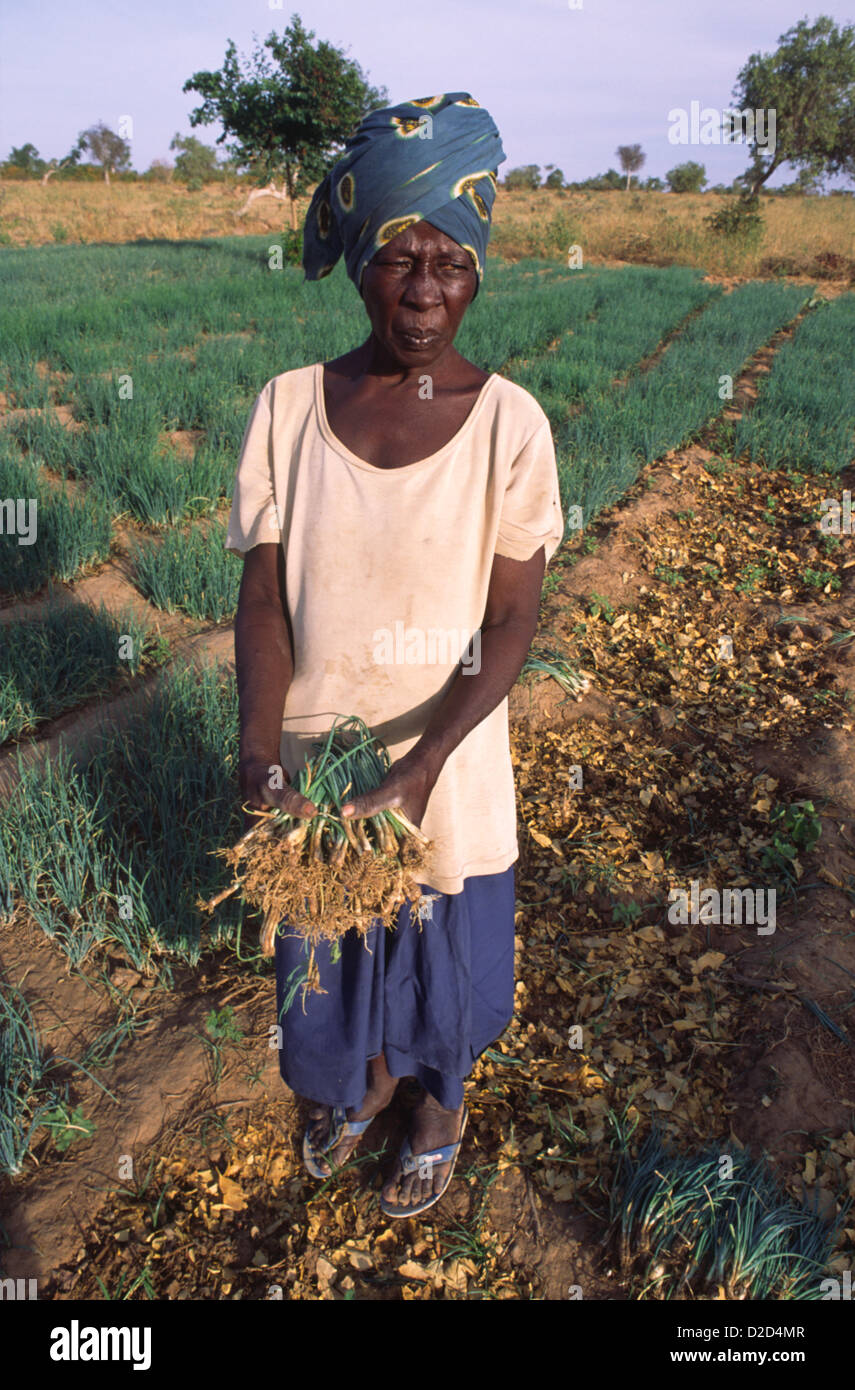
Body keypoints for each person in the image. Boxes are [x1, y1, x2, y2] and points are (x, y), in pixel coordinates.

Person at [225, 92, 564, 1217]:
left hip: (449, 765)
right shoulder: (286, 409)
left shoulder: (511, 422)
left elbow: (512, 618)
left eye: (452, 263)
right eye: (399, 259)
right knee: (333, 963)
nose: (425, 290)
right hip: (324, 769)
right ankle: (362, 1086)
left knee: (446, 970)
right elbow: (264, 598)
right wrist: (259, 746)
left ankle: (436, 1104)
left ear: (479, 275)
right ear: (360, 264)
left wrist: (422, 766)